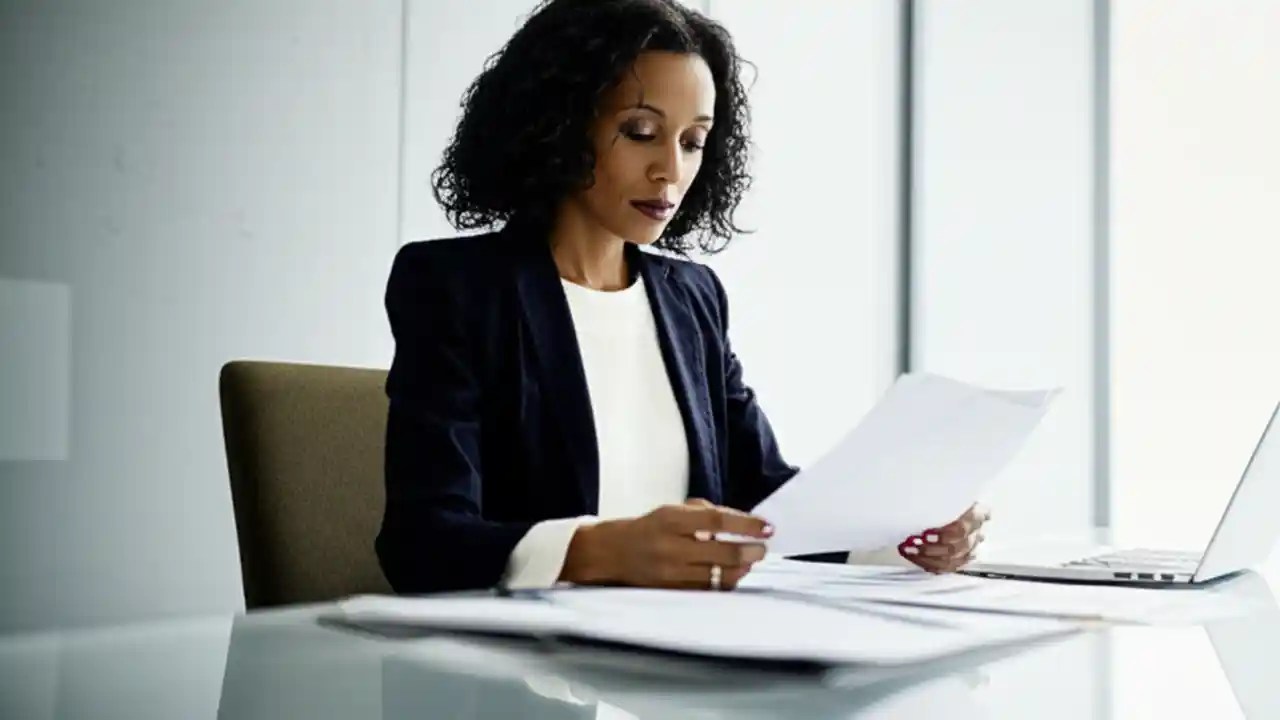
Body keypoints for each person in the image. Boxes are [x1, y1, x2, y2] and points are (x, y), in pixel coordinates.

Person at [375, 0, 987, 595]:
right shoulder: (454, 286)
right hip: (521, 678)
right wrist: (605, 549)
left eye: (693, 142)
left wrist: (901, 535)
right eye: (640, 132)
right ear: (558, 127)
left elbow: (766, 495)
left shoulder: (693, 297)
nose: (671, 169)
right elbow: (424, 541)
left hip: (677, 667)